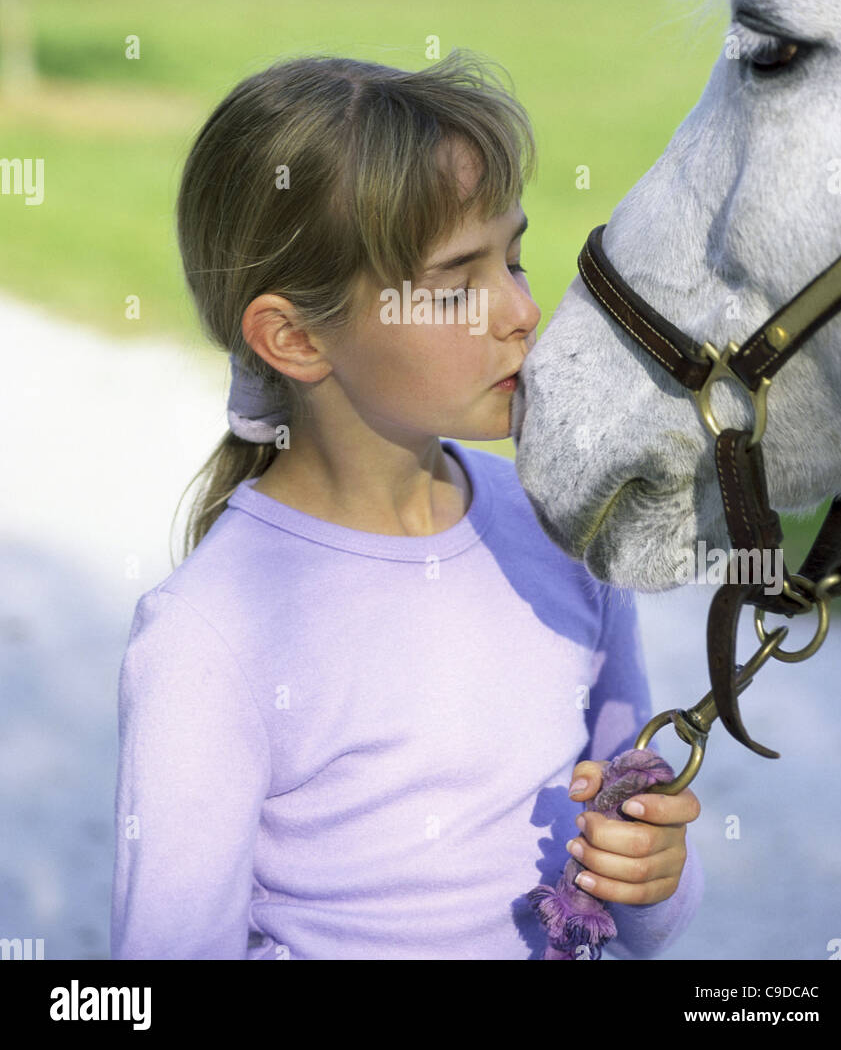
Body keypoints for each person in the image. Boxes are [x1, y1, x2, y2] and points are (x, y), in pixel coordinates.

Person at [110, 51, 703, 960]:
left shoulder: (561, 530)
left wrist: (650, 868)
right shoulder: (208, 634)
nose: (519, 310)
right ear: (296, 337)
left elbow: (638, 909)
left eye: (512, 257)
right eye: (457, 284)